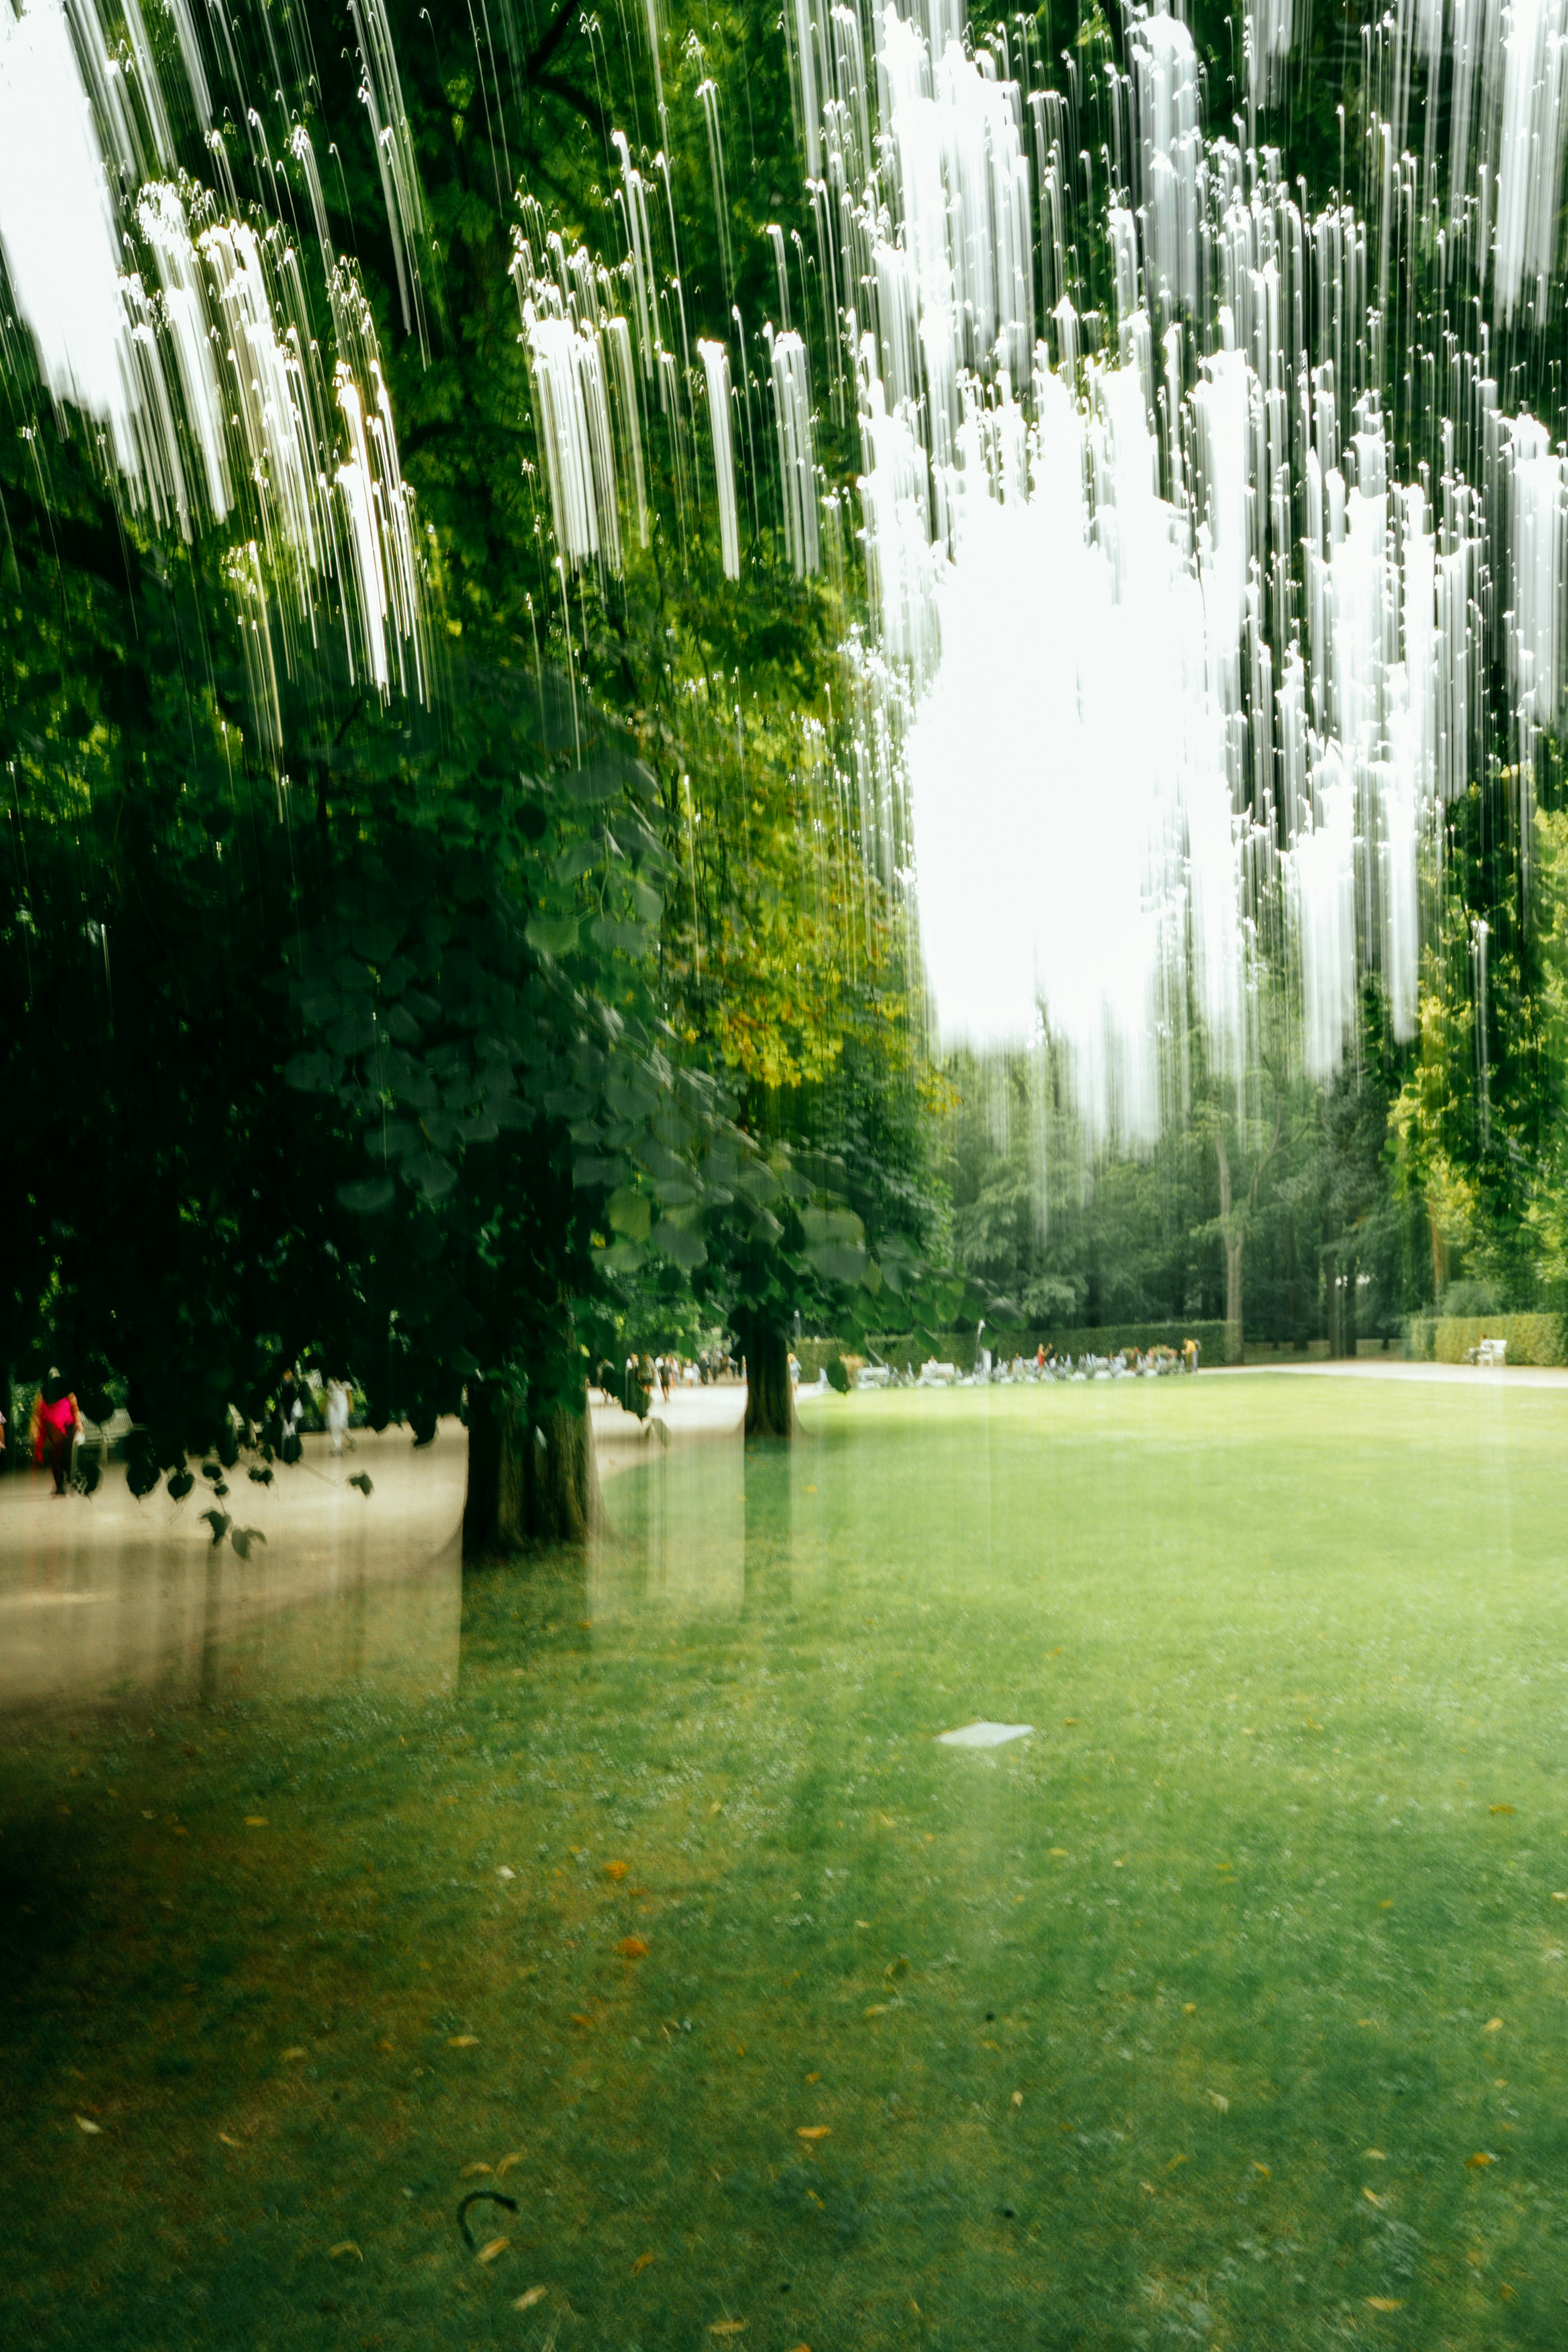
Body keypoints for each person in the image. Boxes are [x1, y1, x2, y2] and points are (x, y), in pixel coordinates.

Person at [37, 1370, 80, 1496]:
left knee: (64, 1459)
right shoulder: (47, 1396)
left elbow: (75, 1410)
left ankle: (64, 1484)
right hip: (56, 1432)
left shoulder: (65, 1395)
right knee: (59, 1459)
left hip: (66, 1430)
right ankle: (61, 1486)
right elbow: (42, 1415)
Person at [326, 1378, 351, 1455]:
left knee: (342, 1423)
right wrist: (325, 1405)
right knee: (333, 1425)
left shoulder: (345, 1379)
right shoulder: (329, 1380)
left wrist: (351, 1404)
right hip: (332, 1403)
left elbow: (349, 1392)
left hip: (342, 1401)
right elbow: (327, 1393)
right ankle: (337, 1446)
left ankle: (351, 1439)